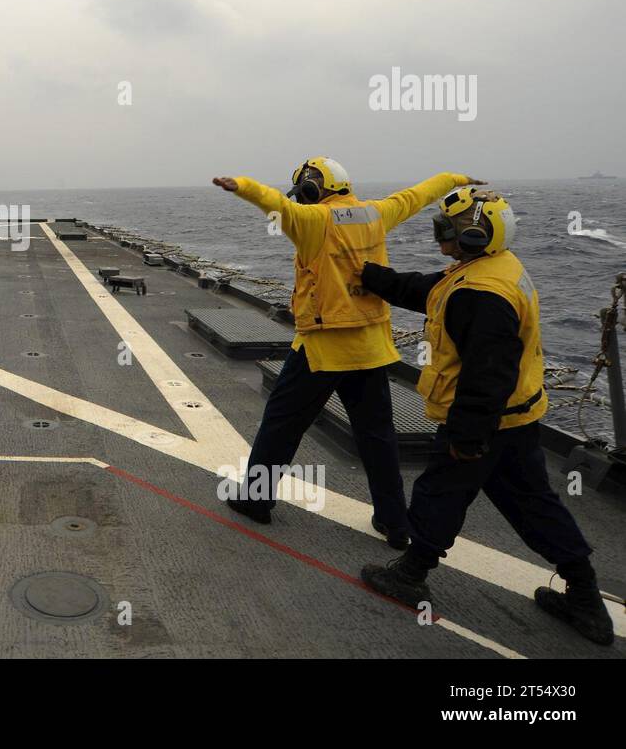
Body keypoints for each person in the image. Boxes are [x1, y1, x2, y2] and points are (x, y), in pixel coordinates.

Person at [358, 187, 614, 646]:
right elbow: (431, 290)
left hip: (484, 422)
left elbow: (487, 373)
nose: (441, 234)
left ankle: (412, 575)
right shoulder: (494, 269)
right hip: (517, 419)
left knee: (440, 493)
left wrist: (467, 435)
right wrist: (373, 276)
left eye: (448, 229)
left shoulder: (480, 295)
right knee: (536, 504)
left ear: (474, 235)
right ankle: (587, 599)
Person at [211, 160, 478, 548]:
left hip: (322, 347)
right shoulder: (376, 213)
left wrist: (242, 185)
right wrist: (456, 179)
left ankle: (255, 499)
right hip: (370, 347)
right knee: (377, 437)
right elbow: (417, 196)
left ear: (312, 188)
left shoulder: (312, 220)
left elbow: (276, 205)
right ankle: (393, 521)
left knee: (281, 426)